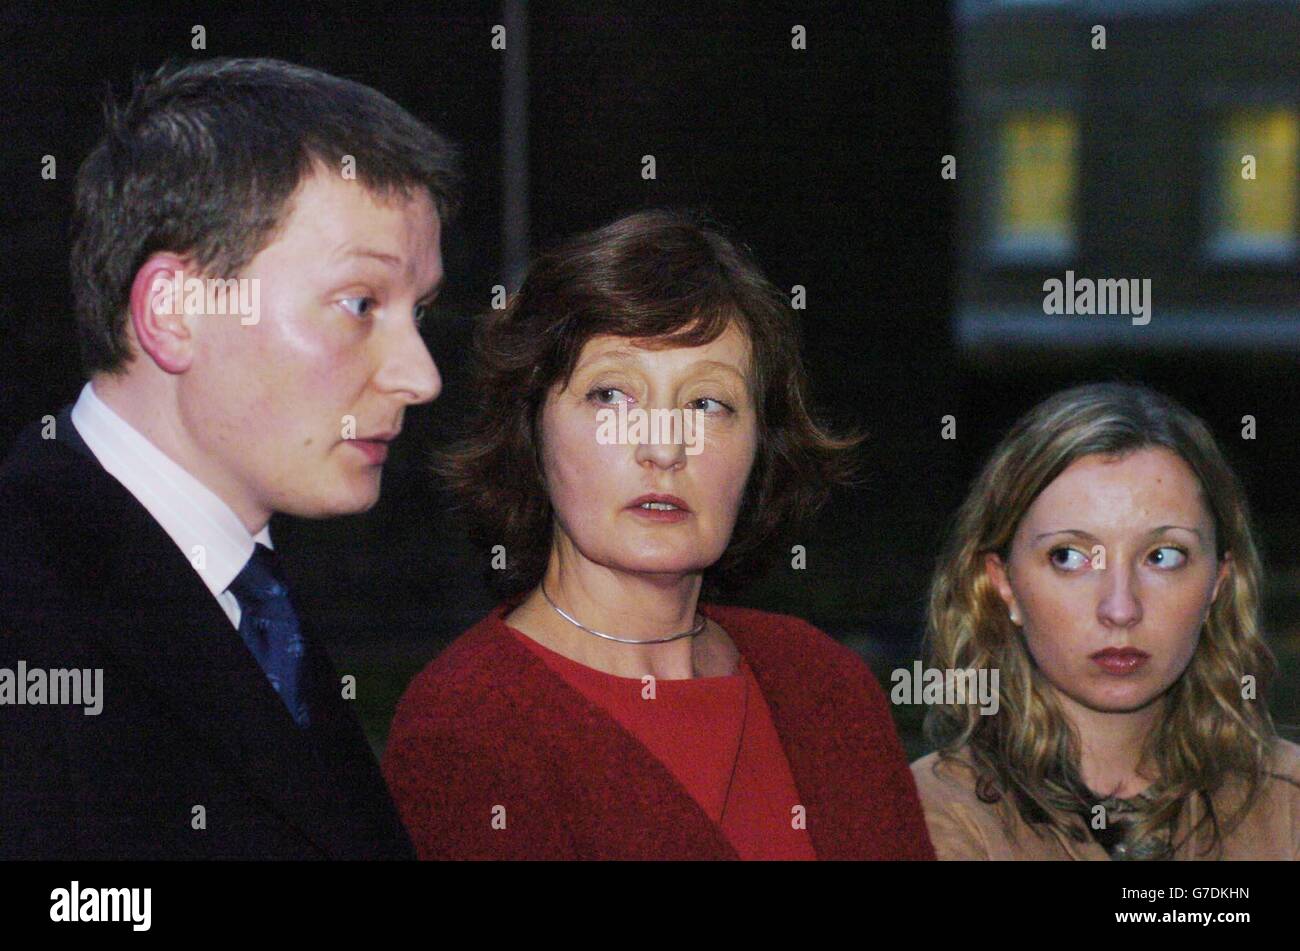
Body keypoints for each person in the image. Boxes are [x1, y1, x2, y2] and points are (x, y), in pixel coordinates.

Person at [0, 57, 460, 859]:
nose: (421, 376)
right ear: (174, 312)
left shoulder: (258, 602)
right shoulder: (27, 611)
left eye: (418, 311)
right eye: (360, 303)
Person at [383, 209, 935, 860]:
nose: (665, 447)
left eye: (708, 404)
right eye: (612, 395)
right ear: (531, 428)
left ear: (762, 444)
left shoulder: (828, 687)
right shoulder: (464, 729)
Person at [911, 382, 1300, 860]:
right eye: (1069, 556)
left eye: (1162, 556)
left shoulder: (1287, 806)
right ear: (1002, 583)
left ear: (1219, 582)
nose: (1120, 608)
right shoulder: (925, 817)